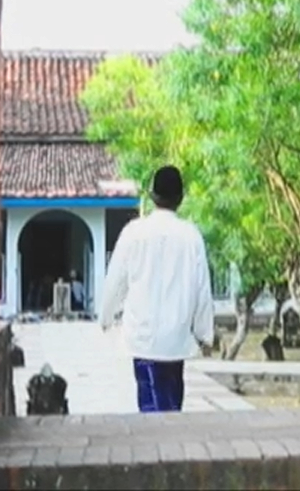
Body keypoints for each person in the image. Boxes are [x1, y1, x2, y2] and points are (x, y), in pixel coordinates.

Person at [96, 165, 216, 413]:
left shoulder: (133, 232)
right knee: (171, 405)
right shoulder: (191, 236)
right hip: (176, 340)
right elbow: (202, 289)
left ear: (152, 196)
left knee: (148, 404)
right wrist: (205, 334)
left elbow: (116, 279)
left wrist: (106, 316)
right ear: (180, 199)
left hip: (141, 338)